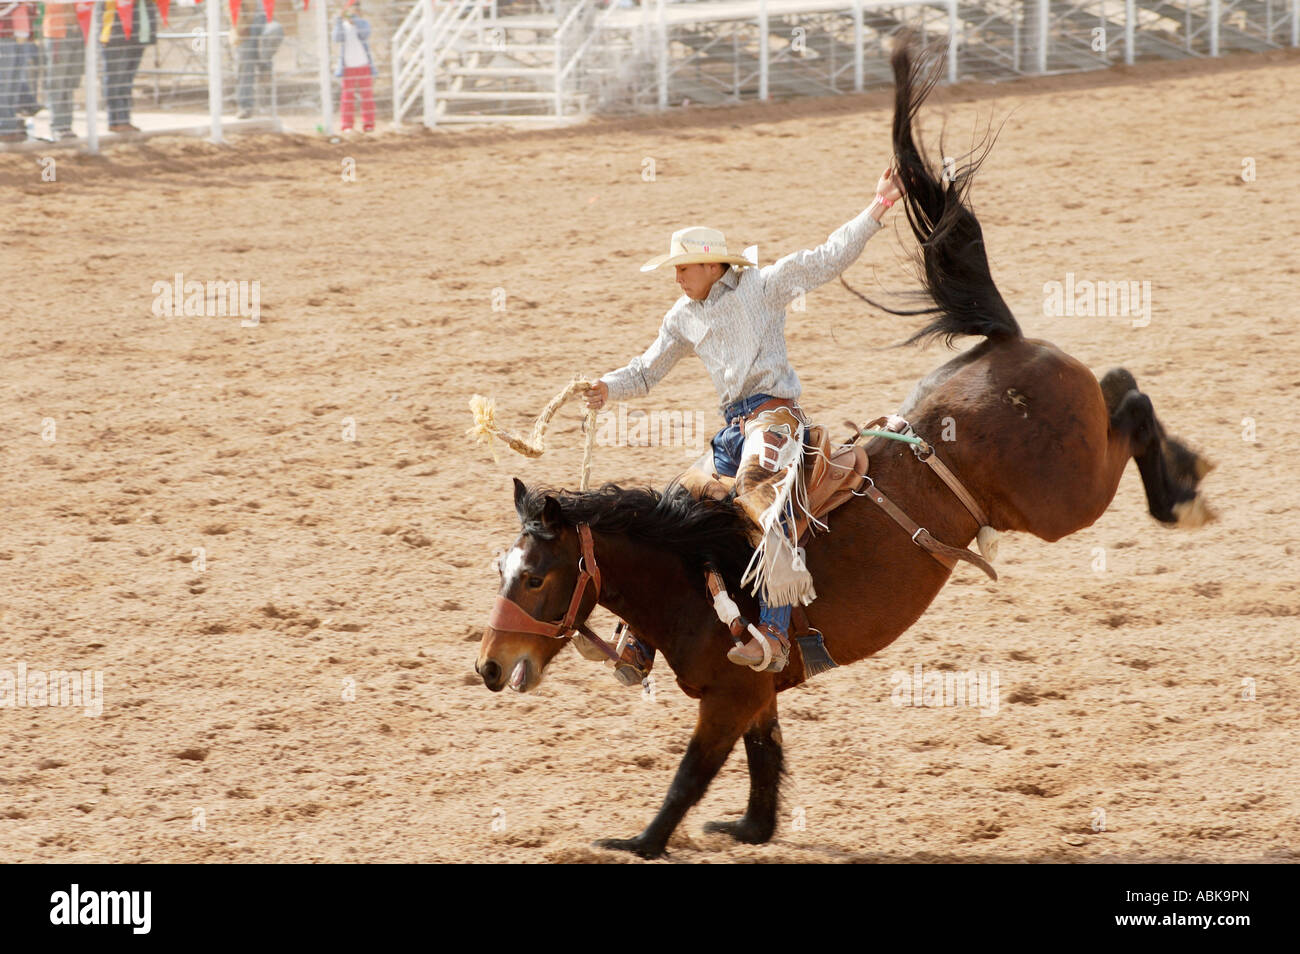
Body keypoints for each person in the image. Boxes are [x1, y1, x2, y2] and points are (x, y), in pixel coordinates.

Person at [584, 168, 905, 676]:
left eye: (683, 267)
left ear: (713, 265)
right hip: (733, 430)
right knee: (673, 506)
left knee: (763, 499)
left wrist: (877, 209)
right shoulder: (681, 316)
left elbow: (825, 259)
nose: (677, 278)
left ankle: (775, 632)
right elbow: (647, 371)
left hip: (775, 420)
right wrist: (607, 387)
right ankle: (641, 639)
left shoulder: (763, 285)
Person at [100, 0, 157, 133]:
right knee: (116, 80)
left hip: (139, 35)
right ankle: (116, 120)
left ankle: (124, 119)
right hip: (116, 35)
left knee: (126, 81)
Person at [333, 0, 375, 134]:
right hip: (348, 67)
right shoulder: (342, 26)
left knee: (367, 97)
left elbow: (365, 34)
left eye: (355, 8)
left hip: (363, 65)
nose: (353, 11)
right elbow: (337, 38)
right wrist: (340, 20)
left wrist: (355, 21)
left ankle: (368, 124)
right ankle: (347, 125)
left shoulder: (363, 23)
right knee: (347, 98)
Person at [43, 0, 82, 139]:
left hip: (79, 32)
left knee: (70, 82)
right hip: (58, 33)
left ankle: (66, 124)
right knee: (57, 82)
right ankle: (58, 125)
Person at [0, 1, 33, 143]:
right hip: (4, 39)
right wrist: (17, 3)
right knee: (4, 86)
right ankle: (5, 128)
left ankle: (10, 126)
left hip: (22, 39)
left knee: (14, 87)